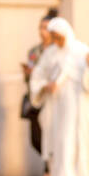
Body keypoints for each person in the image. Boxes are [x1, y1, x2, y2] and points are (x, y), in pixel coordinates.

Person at [29, 17, 89, 176]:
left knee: (78, 147)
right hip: (57, 111)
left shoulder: (81, 51)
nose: (57, 41)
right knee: (60, 147)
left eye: (59, 37)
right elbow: (37, 76)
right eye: (53, 37)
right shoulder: (50, 53)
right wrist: (45, 86)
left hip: (79, 111)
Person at [22, 9, 58, 165]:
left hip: (51, 98)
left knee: (51, 135)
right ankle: (49, 166)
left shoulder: (58, 51)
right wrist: (29, 74)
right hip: (36, 98)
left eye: (46, 28)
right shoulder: (34, 51)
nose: (43, 32)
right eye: (41, 28)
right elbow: (29, 78)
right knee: (36, 138)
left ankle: (49, 169)